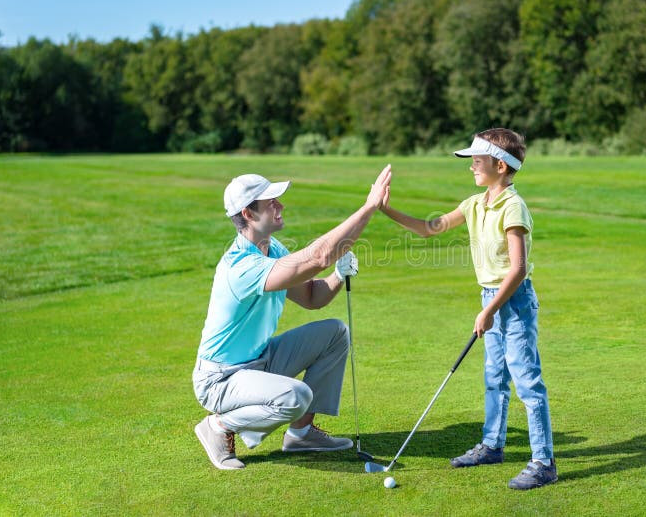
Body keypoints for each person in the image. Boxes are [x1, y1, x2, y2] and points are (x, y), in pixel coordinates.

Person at [379, 129, 556, 490]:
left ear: (500, 166)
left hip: (514, 301)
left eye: (477, 160)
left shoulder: (513, 207)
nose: (471, 166)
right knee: (494, 377)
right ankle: (492, 446)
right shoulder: (474, 204)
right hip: (490, 298)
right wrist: (383, 209)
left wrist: (490, 310)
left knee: (526, 381)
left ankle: (544, 462)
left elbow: (518, 269)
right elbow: (429, 228)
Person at [193, 165, 391, 470]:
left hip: (260, 360)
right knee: (296, 396)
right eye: (271, 203)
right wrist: (368, 207)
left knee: (335, 333)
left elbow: (312, 297)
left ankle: (301, 433)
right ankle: (219, 426)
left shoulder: (272, 250)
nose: (280, 206)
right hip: (221, 379)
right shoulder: (240, 267)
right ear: (248, 214)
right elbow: (318, 257)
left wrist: (338, 276)